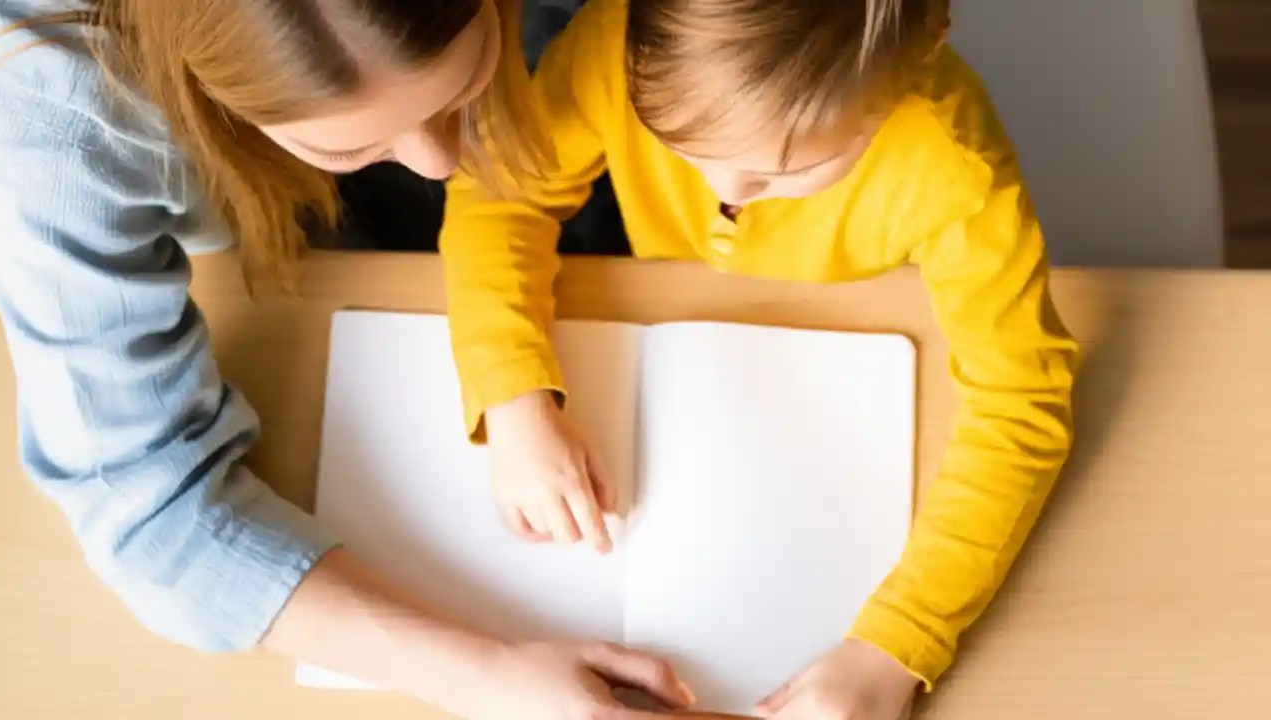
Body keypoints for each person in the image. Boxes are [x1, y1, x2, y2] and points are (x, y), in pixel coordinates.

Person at [0, 1, 694, 716]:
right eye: (348, 147)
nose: (442, 164)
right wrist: (483, 675)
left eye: (466, 68)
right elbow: (151, 515)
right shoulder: (54, 113)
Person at [439, 0, 1079, 717]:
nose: (725, 191)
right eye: (682, 145)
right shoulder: (612, 42)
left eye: (785, 168)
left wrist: (898, 645)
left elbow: (1020, 400)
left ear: (895, 83)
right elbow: (500, 194)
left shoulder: (951, 167)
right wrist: (514, 398)